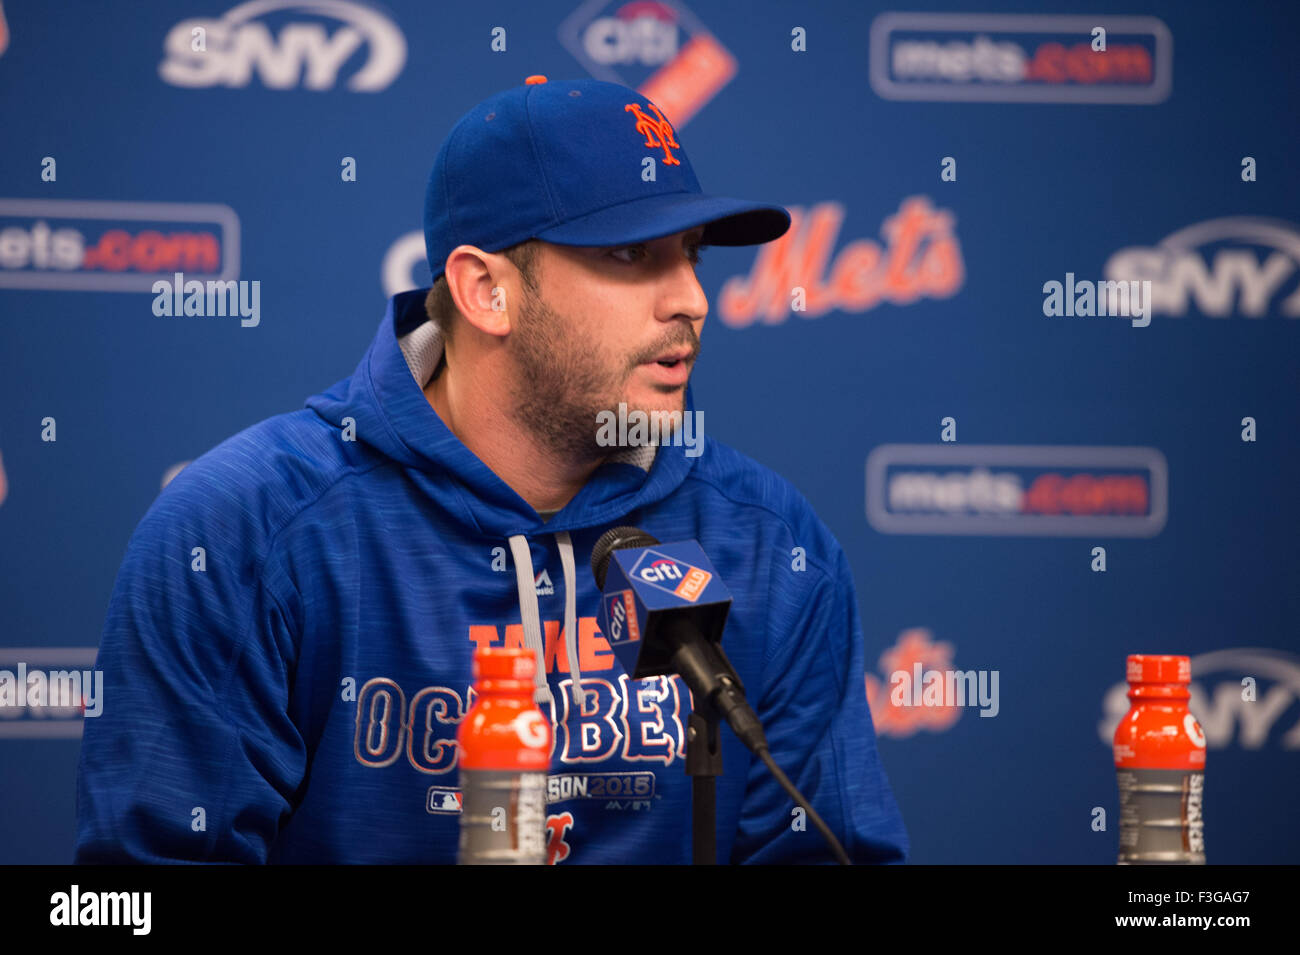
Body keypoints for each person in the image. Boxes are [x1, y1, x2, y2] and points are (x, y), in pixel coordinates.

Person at [74, 76, 908, 864]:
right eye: (631, 256)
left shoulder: (773, 543)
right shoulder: (243, 530)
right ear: (484, 290)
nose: (691, 296)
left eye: (691, 253)